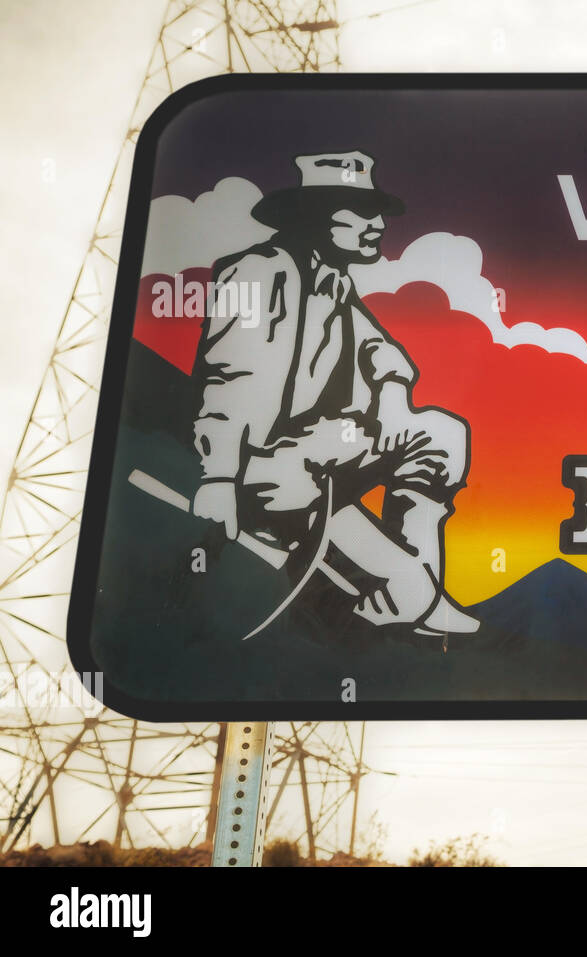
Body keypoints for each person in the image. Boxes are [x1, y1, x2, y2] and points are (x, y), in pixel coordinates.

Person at [190, 150, 479, 637]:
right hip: (266, 465)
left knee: (440, 431)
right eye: (362, 213)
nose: (378, 225)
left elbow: (379, 348)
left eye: (377, 214)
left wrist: (389, 394)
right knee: (404, 586)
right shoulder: (258, 273)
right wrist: (218, 478)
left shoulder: (335, 281)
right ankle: (409, 594)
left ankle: (415, 589)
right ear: (316, 216)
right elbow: (230, 379)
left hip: (326, 445)